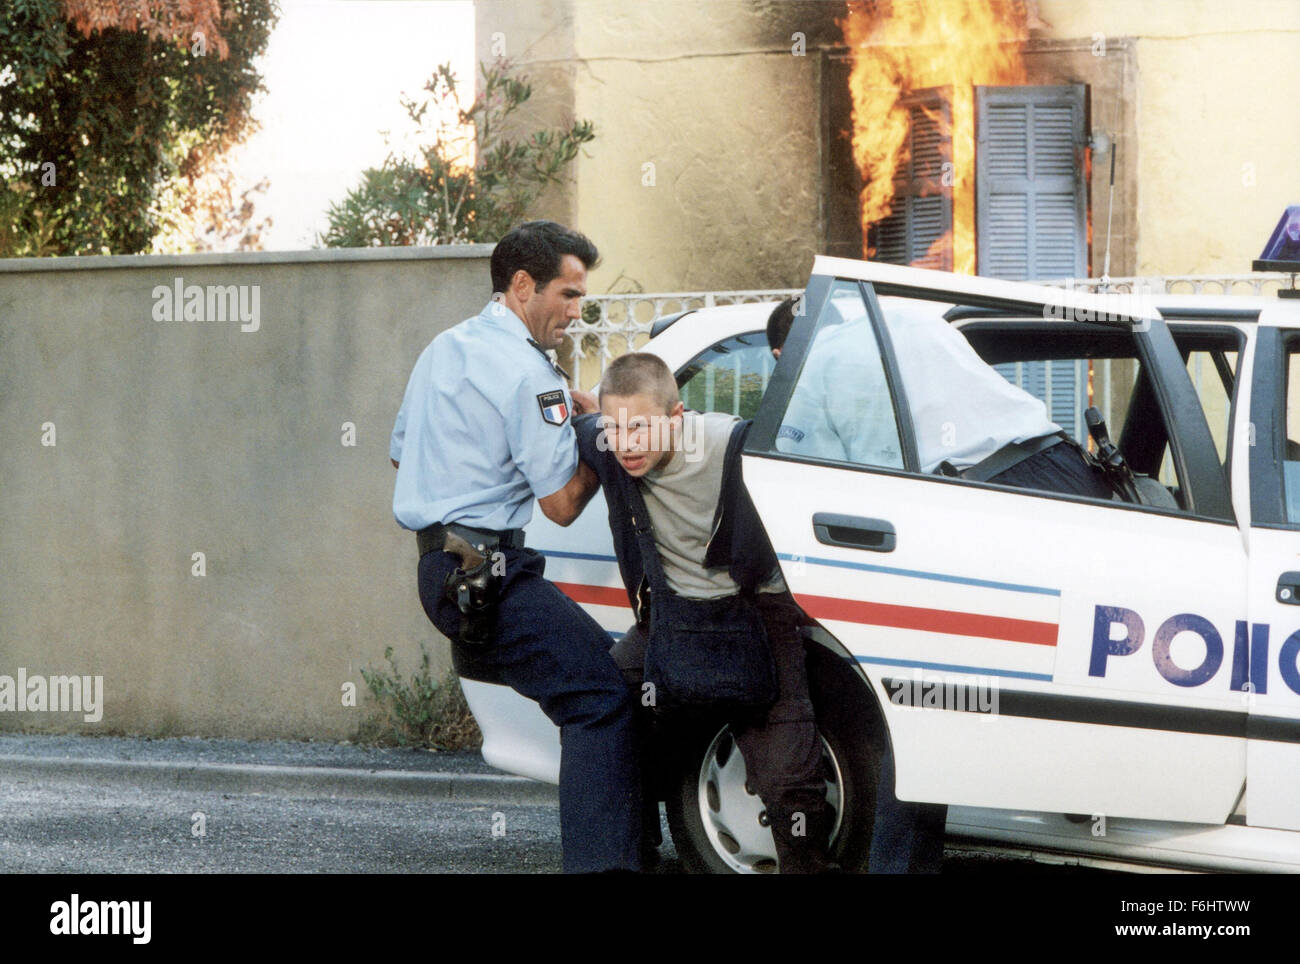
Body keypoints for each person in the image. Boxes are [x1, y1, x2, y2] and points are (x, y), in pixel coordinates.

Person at [765, 294, 1116, 874]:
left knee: (920, 711)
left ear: (784, 349)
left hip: (991, 500)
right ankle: (1088, 789)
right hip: (1059, 471)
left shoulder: (814, 365)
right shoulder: (899, 325)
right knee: (1083, 663)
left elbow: (851, 489)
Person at [389, 220, 642, 874]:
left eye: (581, 297)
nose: (576, 312)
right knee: (601, 697)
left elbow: (401, 454)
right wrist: (596, 434)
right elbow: (560, 506)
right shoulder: (530, 374)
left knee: (601, 681)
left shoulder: (442, 349)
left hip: (439, 567)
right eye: (567, 294)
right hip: (489, 571)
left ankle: (629, 852)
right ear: (523, 286)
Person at [575, 352, 837, 874]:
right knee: (599, 703)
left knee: (788, 774)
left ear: (677, 418)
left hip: (756, 618)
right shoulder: (606, 443)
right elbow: (576, 421)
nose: (625, 444)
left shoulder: (735, 447)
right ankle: (628, 851)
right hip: (669, 620)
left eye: (640, 428)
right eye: (613, 429)